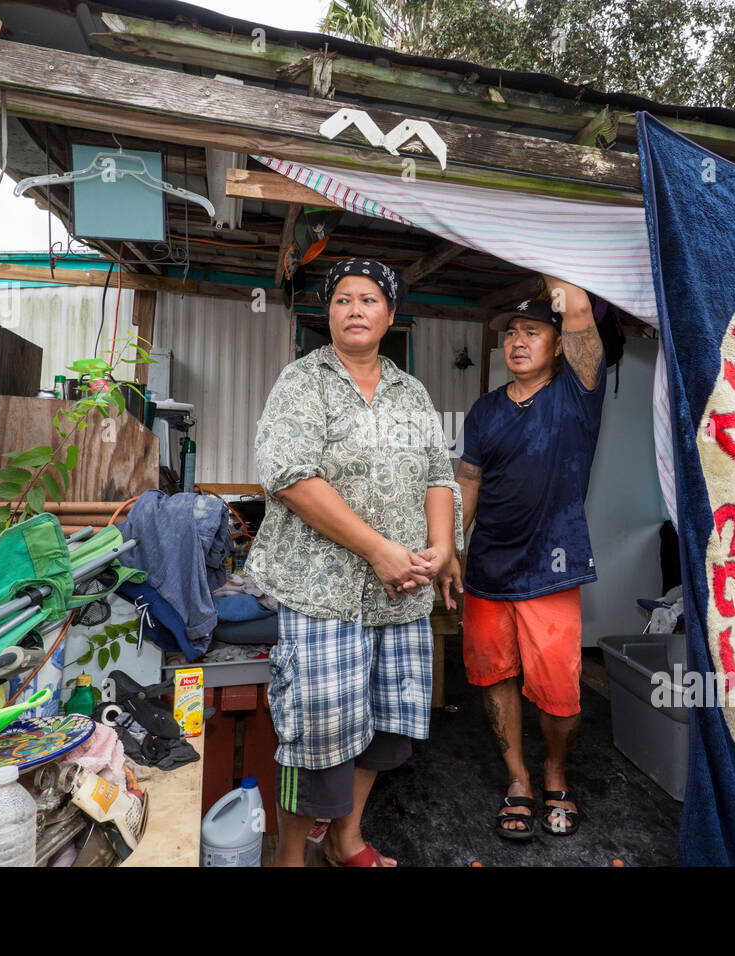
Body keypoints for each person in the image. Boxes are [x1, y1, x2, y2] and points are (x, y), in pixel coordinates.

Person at [247, 257, 463, 867]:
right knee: (315, 734)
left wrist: (444, 548)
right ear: (329, 314)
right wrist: (377, 550)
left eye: (369, 300)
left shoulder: (411, 391)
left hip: (403, 595)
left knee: (386, 723)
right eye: (343, 300)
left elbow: (439, 475)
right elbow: (288, 474)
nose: (355, 310)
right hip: (324, 592)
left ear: (390, 316)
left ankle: (345, 839)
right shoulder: (303, 381)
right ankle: (290, 855)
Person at [441, 274, 605, 841]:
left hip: (552, 570)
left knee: (560, 694)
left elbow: (579, 307)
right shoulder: (484, 411)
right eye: (510, 332)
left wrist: (540, 247)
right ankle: (519, 780)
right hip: (488, 569)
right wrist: (452, 553)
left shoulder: (578, 392)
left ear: (557, 345)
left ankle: (555, 770)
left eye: (531, 331)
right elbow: (468, 485)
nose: (517, 340)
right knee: (493, 675)